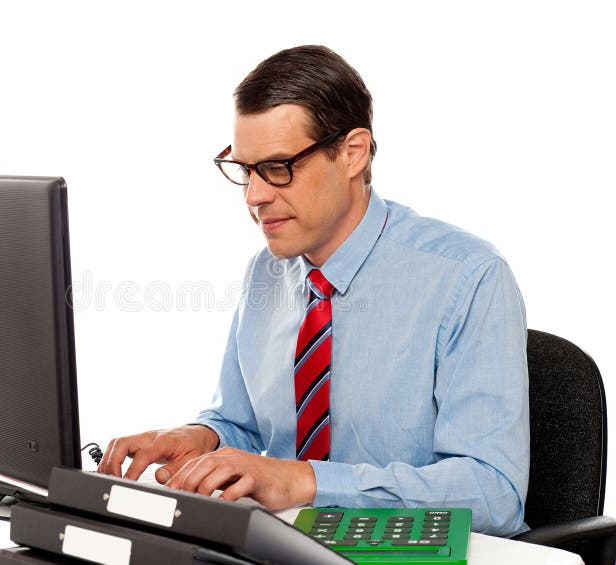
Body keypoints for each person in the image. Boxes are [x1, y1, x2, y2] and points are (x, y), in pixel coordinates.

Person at [98, 45, 529, 537]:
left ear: (353, 153)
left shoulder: (469, 276)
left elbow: (494, 493)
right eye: (246, 170)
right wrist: (203, 437)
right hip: (286, 543)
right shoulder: (267, 271)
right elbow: (242, 424)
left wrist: (303, 480)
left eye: (279, 167)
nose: (255, 196)